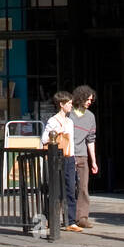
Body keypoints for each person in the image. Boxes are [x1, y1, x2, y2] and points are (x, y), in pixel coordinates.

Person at [41, 91, 79, 232]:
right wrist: (58, 133)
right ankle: (50, 219)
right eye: (68, 103)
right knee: (55, 190)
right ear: (61, 105)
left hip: (68, 157)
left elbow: (71, 144)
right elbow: (44, 139)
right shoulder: (53, 121)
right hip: (56, 158)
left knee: (70, 188)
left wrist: (73, 159)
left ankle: (71, 221)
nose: (71, 105)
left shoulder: (70, 121)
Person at [71, 85, 98, 230]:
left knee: (83, 187)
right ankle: (60, 216)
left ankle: (82, 217)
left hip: (82, 155)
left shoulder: (90, 117)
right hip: (67, 155)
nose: (89, 102)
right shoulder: (69, 113)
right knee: (66, 187)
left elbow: (91, 139)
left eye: (91, 100)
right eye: (87, 99)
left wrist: (93, 160)